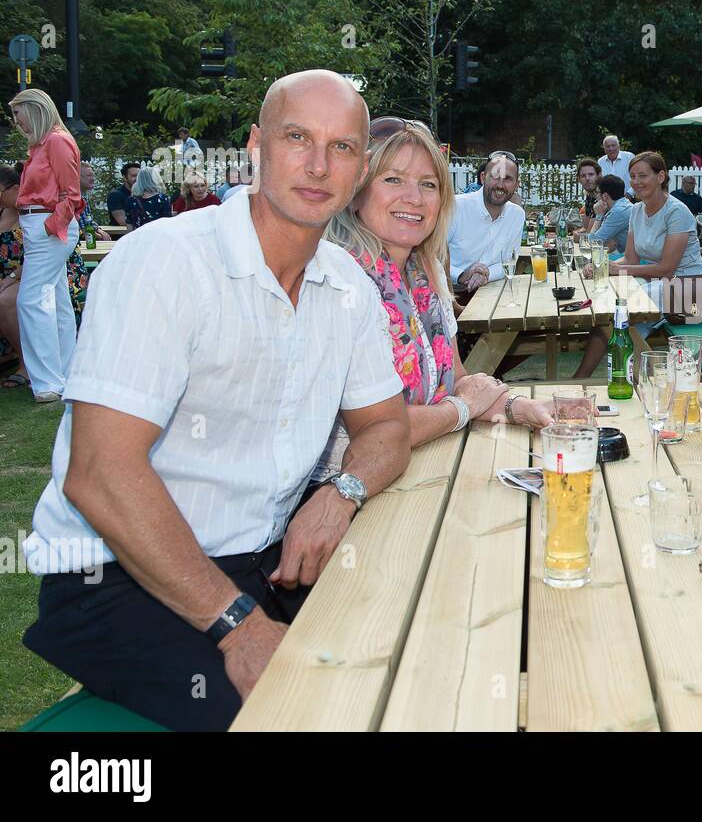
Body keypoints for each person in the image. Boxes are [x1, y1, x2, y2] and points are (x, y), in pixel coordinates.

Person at [21, 69, 413, 732]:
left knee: (413, 647)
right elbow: (100, 472)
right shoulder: (166, 262)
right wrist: (239, 626)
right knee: (303, 715)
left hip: (260, 559)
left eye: (342, 147)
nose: (318, 164)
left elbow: (387, 428)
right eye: (297, 138)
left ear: (360, 169)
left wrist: (340, 492)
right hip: (116, 572)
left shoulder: (347, 284)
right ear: (257, 149)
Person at [315, 122, 554, 485]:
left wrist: (519, 407)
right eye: (393, 179)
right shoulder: (336, 279)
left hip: (426, 465)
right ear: (358, 190)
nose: (414, 197)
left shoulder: (428, 273)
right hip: (346, 487)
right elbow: (375, 429)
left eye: (428, 184)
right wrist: (462, 408)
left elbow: (456, 377)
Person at [575, 152, 702, 377]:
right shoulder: (636, 210)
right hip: (659, 283)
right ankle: (600, 377)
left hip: (689, 287)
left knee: (617, 309)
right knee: (609, 303)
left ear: (661, 176)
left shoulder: (677, 211)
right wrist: (603, 266)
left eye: (643, 176)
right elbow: (630, 259)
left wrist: (618, 269)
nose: (636, 182)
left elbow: (667, 268)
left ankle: (618, 378)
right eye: (633, 176)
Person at [4, 89, 84, 403]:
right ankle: (65, 374)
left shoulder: (55, 142)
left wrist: (52, 226)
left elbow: (71, 194)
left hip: (48, 227)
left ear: (34, 111)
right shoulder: (44, 144)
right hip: (43, 226)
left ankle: (49, 381)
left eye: (18, 115)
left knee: (32, 301)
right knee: (56, 303)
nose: (17, 122)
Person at [447, 152, 527, 293]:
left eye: (508, 179)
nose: (500, 185)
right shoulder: (455, 207)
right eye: (495, 177)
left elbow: (508, 263)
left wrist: (484, 274)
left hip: (489, 290)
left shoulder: (517, 215)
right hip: (449, 293)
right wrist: (460, 275)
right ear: (483, 178)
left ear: (517, 184)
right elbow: (430, 257)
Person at [590, 174, 633, 254]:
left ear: (605, 196)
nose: (595, 196)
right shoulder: (621, 206)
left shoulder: (618, 212)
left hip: (630, 260)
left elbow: (592, 242)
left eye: (597, 192)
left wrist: (598, 217)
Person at [77, 162, 110, 243]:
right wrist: (102, 237)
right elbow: (84, 231)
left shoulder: (83, 197)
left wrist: (99, 230)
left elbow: (89, 222)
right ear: (77, 177)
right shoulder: (77, 200)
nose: (92, 179)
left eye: (92, 175)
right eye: (89, 176)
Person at [107, 162, 144, 229]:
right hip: (120, 236)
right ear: (125, 178)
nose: (137, 179)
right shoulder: (115, 195)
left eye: (139, 176)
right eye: (134, 176)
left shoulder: (144, 194)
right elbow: (123, 222)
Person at [576, 157, 602, 230]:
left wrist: (579, 235)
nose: (587, 178)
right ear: (579, 179)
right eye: (583, 176)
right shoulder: (590, 195)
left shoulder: (603, 196)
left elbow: (589, 234)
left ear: (599, 175)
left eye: (591, 174)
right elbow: (585, 227)